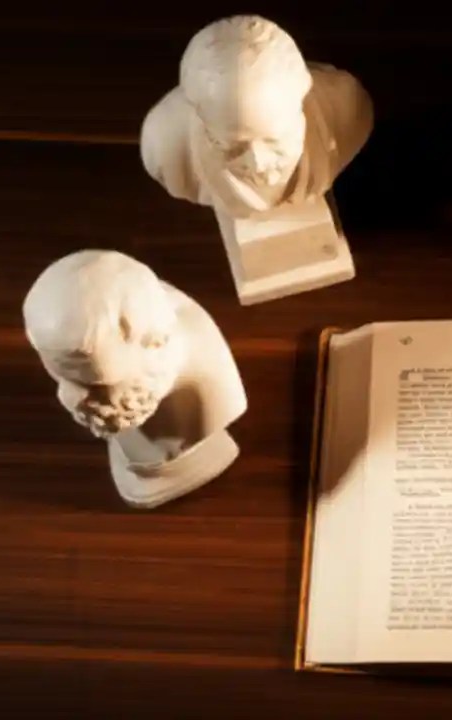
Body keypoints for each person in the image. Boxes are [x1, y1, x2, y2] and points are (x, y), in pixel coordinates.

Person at [22, 250, 247, 508]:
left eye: (96, 385)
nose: (70, 397)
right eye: (62, 376)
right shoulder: (123, 332)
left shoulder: (208, 371)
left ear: (154, 343)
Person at [140, 14, 373, 220]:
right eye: (234, 147)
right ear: (201, 116)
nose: (258, 163)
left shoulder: (348, 112)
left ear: (301, 96)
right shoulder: (165, 149)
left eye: (274, 141)